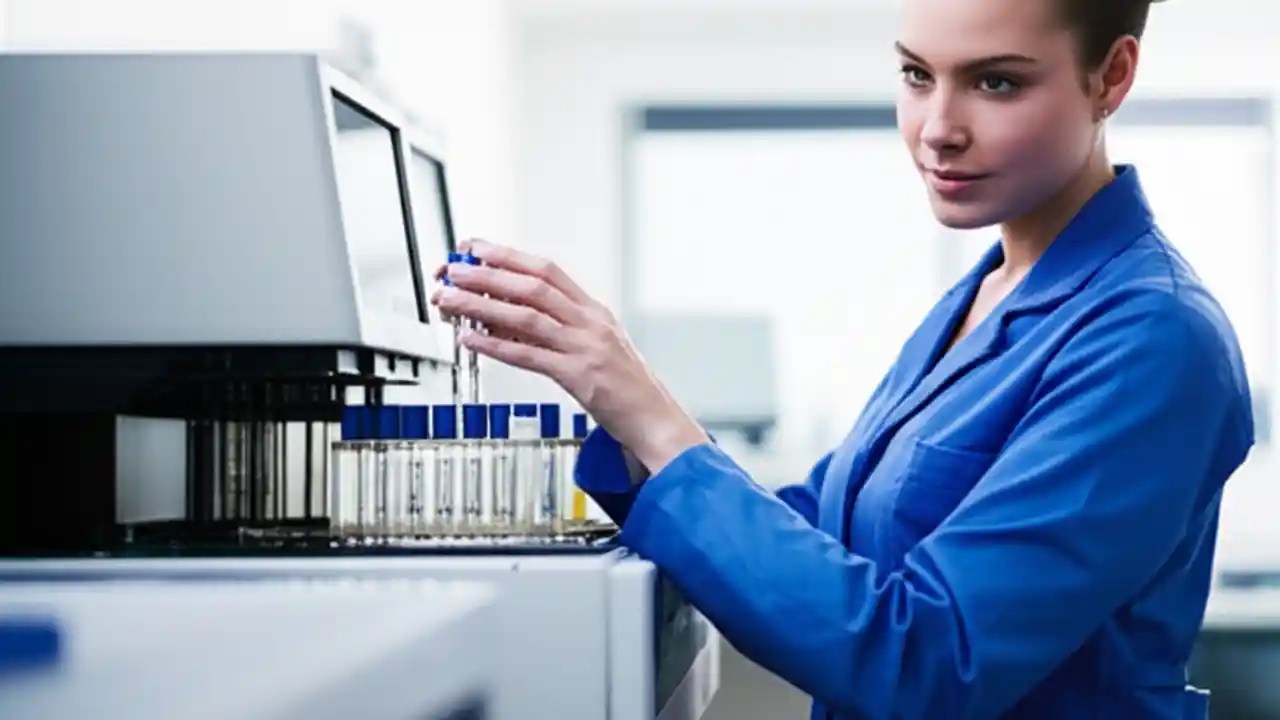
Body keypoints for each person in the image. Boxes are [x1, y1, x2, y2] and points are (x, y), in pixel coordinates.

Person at [432, 0, 1255, 716]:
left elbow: (929, 662)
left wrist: (649, 408)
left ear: (1111, 77)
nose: (938, 129)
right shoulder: (986, 293)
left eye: (996, 81)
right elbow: (827, 519)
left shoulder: (1152, 336)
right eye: (915, 75)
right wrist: (622, 412)